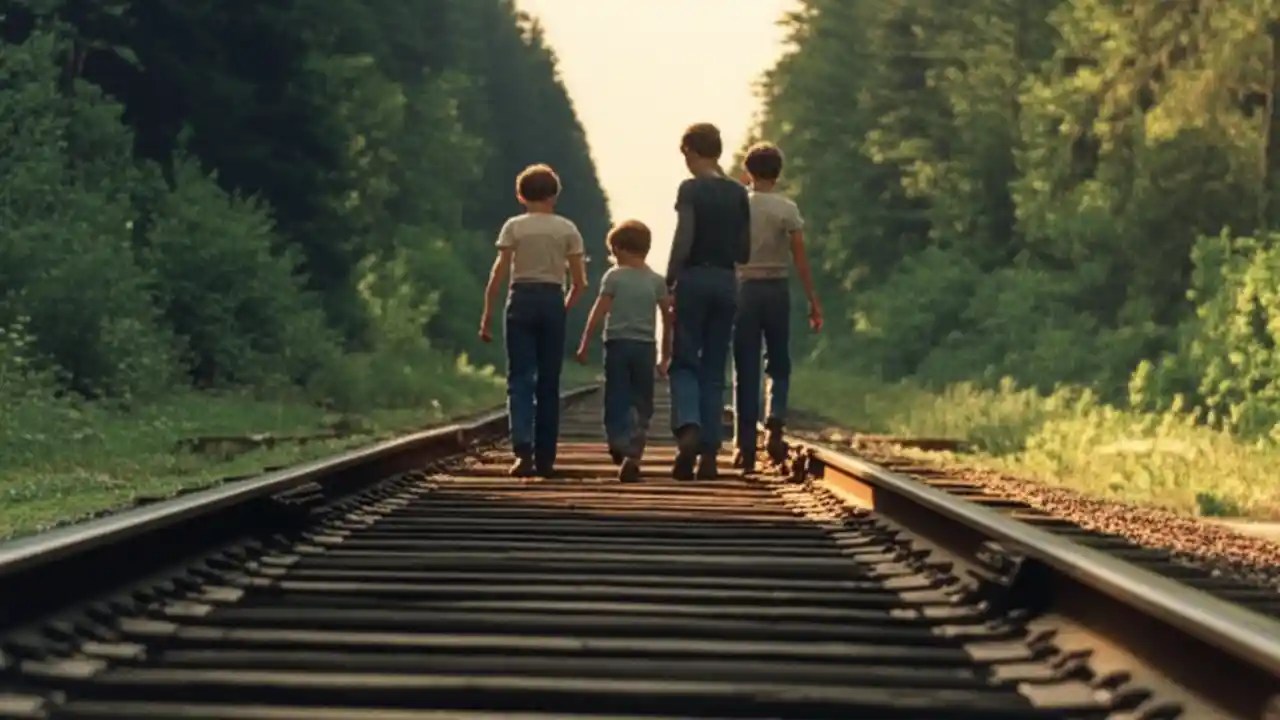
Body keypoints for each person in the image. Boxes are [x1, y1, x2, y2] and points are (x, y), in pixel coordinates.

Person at [479, 163, 588, 477]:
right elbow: (580, 283)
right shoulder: (567, 229)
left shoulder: (514, 227)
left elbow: (499, 273)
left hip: (521, 299)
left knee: (520, 378)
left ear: (520, 196)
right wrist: (562, 309)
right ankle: (545, 457)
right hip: (552, 299)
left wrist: (487, 314)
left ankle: (522, 449)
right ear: (554, 196)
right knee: (549, 382)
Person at [665, 123, 751, 480]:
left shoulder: (690, 189)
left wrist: (670, 278)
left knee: (685, 361)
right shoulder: (737, 193)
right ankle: (710, 457)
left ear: (690, 151)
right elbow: (744, 250)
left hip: (695, 278)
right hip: (726, 281)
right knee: (715, 369)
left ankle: (688, 427)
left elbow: (684, 237)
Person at [731, 142, 823, 474]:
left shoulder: (738, 205)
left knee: (745, 366)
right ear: (778, 173)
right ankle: (776, 418)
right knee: (778, 359)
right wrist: (813, 300)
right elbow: (800, 257)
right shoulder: (787, 209)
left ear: (748, 172)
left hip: (743, 288)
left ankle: (744, 448)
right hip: (776, 287)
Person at [575, 220, 674, 483]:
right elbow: (668, 318)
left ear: (620, 249)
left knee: (616, 394)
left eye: (613, 251)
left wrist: (585, 341)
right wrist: (666, 355)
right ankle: (635, 448)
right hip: (645, 347)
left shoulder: (614, 276)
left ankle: (619, 440)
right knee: (643, 398)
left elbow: (599, 310)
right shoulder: (656, 281)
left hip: (617, 344)